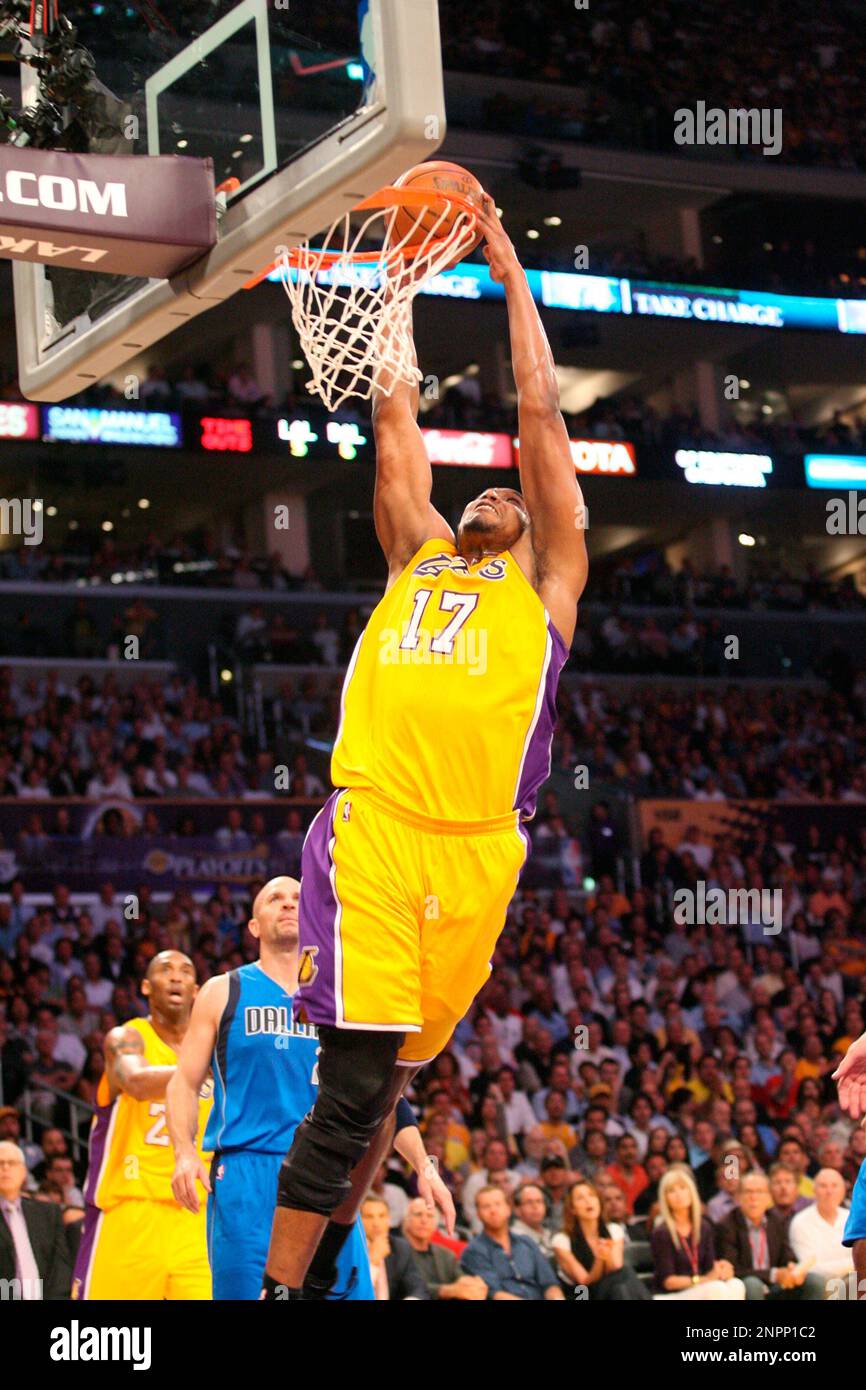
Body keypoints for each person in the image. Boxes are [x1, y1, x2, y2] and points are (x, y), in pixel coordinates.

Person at [262, 204, 589, 1299]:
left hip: (481, 856)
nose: (496, 489)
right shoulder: (416, 550)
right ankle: (276, 1291)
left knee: (387, 1093)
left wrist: (508, 272)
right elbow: (394, 416)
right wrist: (394, 287)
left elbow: (538, 411)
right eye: (480, 486)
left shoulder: (547, 584)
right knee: (352, 1087)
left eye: (511, 489)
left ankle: (314, 1277)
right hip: (376, 833)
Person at [168, 877, 451, 1300]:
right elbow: (184, 1082)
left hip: (328, 1174)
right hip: (248, 1171)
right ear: (254, 926)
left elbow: (384, 1096)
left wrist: (423, 1165)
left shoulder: (344, 998)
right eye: (274, 899)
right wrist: (184, 1153)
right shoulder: (222, 990)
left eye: (298, 898)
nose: (287, 904)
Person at [71, 950, 213, 1300]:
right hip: (131, 1210)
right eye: (166, 970)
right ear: (146, 986)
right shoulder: (126, 1038)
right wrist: (211, 1070)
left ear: (197, 990)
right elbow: (135, 1080)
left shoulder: (214, 1050)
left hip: (199, 1215)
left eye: (185, 971)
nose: (177, 976)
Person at [716, 1171, 824, 1301]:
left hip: (776, 1286)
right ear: (738, 1197)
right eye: (748, 1192)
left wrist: (792, 1267)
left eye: (760, 1192)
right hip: (746, 1285)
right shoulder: (727, 1225)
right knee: (752, 1284)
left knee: (815, 1281)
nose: (754, 1197)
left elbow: (787, 1255)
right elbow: (733, 1270)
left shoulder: (776, 1220)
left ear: (769, 1197)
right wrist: (773, 1274)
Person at [651, 1166, 744, 1300]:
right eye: (671, 1191)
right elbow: (668, 1281)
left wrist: (721, 1270)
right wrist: (703, 1280)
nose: (679, 1195)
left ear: (691, 1192)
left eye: (683, 1188)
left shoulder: (703, 1227)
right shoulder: (662, 1232)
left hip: (700, 1288)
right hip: (670, 1295)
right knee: (716, 1289)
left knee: (736, 1284)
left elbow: (709, 1267)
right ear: (664, 1198)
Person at [551, 1178, 650, 1300]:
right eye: (580, 1198)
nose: (588, 1201)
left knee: (623, 1274)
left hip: (613, 1290)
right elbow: (584, 1282)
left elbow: (615, 1267)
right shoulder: (561, 1240)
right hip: (582, 1295)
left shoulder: (614, 1230)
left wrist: (606, 1256)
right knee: (620, 1279)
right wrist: (599, 1259)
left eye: (592, 1196)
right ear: (572, 1209)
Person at [461, 1186, 565, 1300]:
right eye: (486, 1206)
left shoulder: (527, 1242)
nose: (493, 1210)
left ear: (508, 1209)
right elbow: (494, 1294)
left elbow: (550, 1284)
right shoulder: (474, 1251)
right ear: (478, 1214)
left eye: (498, 1204)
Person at [0, 1140, 71, 1299]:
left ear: (23, 1172)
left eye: (11, 1163)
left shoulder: (48, 1213)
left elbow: (60, 1270)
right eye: (0, 1163)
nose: (5, 1168)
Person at [402, 1197, 487, 1300]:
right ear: (406, 1220)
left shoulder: (446, 1254)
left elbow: (460, 1278)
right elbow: (407, 1287)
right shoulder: (398, 1252)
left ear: (435, 1224)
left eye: (430, 1216)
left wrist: (473, 1284)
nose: (424, 1220)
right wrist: (447, 1290)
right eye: (418, 1214)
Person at [789, 1168, 853, 1290]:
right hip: (819, 1287)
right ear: (814, 1191)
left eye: (834, 1186)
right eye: (823, 1186)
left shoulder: (851, 1218)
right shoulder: (800, 1222)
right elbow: (811, 1268)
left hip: (853, 1282)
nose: (829, 1191)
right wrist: (854, 1263)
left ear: (844, 1190)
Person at [361, 1195, 427, 1300]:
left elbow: (417, 1288)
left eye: (382, 1216)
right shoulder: (351, 1249)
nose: (376, 1223)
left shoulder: (401, 1248)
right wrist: (373, 1263)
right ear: (358, 1222)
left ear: (389, 1219)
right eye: (369, 1217)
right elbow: (354, 1293)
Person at [511, 1181, 556, 1258]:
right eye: (529, 1202)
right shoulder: (513, 1237)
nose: (535, 1206)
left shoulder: (550, 1233)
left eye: (539, 1201)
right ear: (517, 1210)